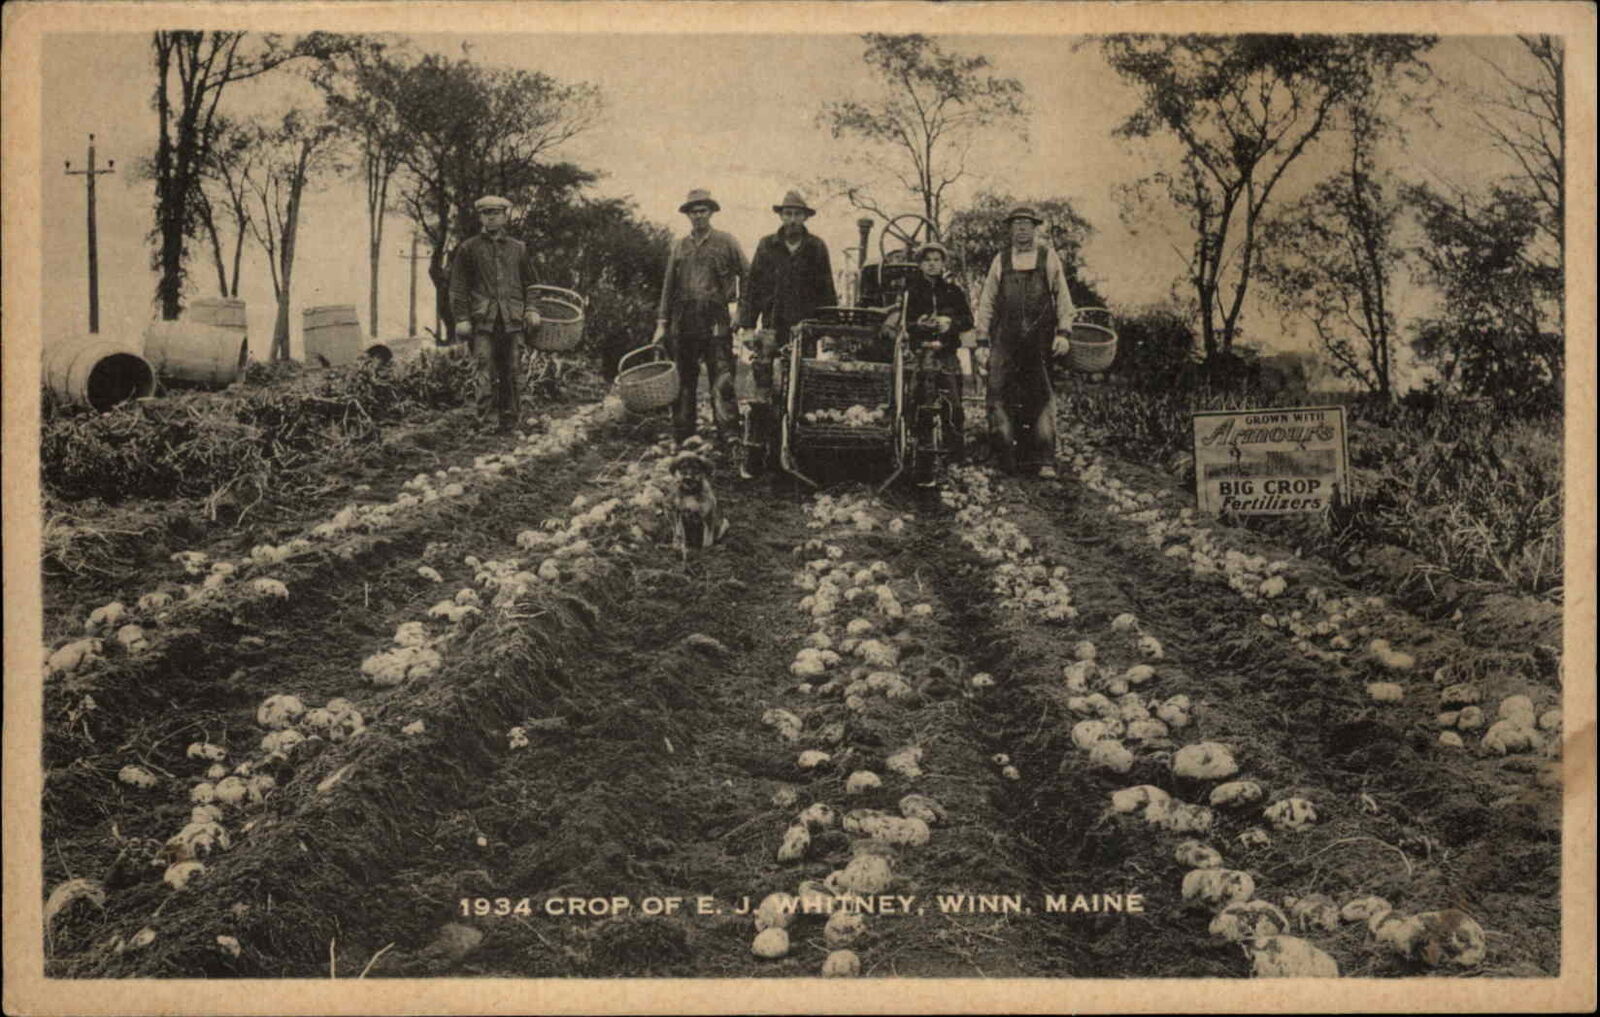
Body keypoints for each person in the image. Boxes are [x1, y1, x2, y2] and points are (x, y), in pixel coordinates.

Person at [736, 190, 838, 478]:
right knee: (763, 390)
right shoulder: (767, 246)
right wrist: (746, 325)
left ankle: (796, 454)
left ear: (805, 217)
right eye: (788, 214)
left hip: (804, 329)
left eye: (798, 214)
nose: (792, 219)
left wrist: (827, 330)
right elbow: (752, 287)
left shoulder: (816, 247)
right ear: (780, 216)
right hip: (771, 326)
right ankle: (755, 455)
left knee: (801, 388)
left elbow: (827, 290)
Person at [972, 206, 1076, 478]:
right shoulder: (1001, 260)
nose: (1022, 229)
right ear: (1010, 230)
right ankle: (1003, 456)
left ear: (1035, 228)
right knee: (997, 391)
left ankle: (1044, 459)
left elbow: (1063, 297)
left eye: (1027, 224)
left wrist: (1063, 332)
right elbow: (987, 302)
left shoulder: (1048, 257)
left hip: (1039, 339)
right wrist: (982, 341)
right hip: (1005, 338)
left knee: (1040, 394)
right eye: (1017, 224)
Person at [653, 188, 747, 446]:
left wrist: (741, 311)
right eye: (693, 212)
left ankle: (729, 433)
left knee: (722, 375)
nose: (698, 216)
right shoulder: (679, 246)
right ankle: (684, 433)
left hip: (716, 316)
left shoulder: (727, 242)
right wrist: (662, 324)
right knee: (684, 377)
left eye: (703, 210)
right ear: (688, 215)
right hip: (683, 318)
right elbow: (667, 287)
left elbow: (748, 277)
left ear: (711, 212)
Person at [449, 195, 542, 433]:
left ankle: (511, 422)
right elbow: (458, 287)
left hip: (513, 321)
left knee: (512, 371)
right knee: (484, 370)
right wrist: (462, 318)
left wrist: (531, 309)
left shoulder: (518, 249)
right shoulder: (468, 249)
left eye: (496, 213)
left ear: (505, 216)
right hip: (483, 322)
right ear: (480, 217)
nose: (491, 217)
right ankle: (487, 424)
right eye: (486, 213)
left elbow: (532, 284)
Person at [897, 241, 973, 478]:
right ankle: (916, 454)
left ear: (943, 264)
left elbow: (968, 321)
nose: (932, 264)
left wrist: (949, 325)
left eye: (936, 260)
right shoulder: (910, 292)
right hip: (918, 354)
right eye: (927, 260)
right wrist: (917, 325)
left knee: (953, 405)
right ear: (920, 265)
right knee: (915, 403)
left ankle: (954, 458)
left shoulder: (953, 291)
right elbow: (900, 324)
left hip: (946, 354)